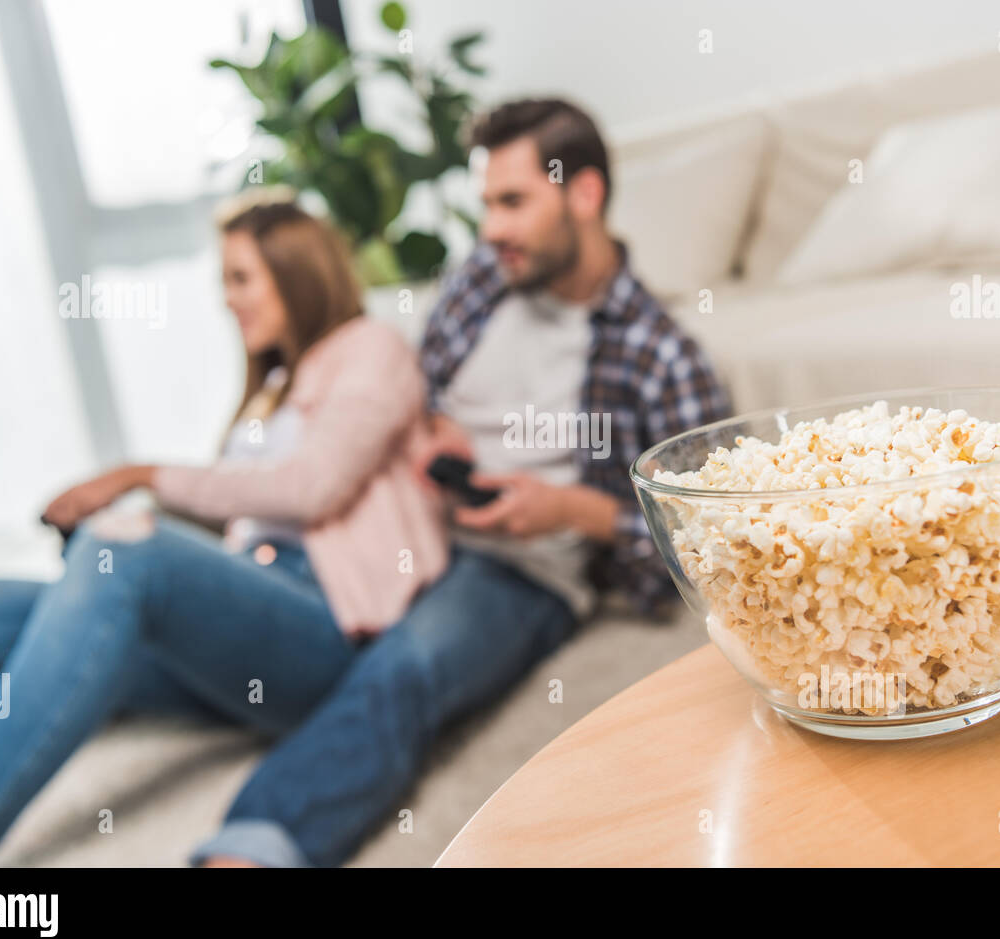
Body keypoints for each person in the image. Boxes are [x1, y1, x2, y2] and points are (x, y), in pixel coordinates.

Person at [193, 98, 733, 868]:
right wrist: (435, 428)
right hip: (413, 519)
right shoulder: (484, 278)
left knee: (406, 668)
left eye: (513, 202)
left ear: (584, 194)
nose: (491, 229)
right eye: (485, 204)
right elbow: (417, 386)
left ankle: (250, 851)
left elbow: (710, 547)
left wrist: (573, 510)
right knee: (227, 593)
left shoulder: (663, 357)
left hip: (520, 566)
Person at [0, 198, 448, 868]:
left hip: (326, 630)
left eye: (242, 278)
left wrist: (139, 477)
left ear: (298, 273)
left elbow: (313, 486)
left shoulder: (370, 348)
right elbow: (240, 511)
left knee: (127, 549)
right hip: (243, 631)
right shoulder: (274, 384)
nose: (227, 299)